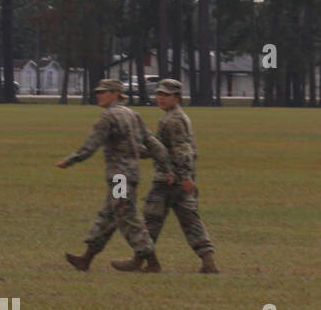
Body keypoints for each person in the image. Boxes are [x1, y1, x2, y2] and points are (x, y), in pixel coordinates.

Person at [56, 78, 172, 272]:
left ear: (116, 94)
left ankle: (151, 261)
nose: (99, 95)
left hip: (119, 178)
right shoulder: (133, 114)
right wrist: (166, 167)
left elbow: (91, 145)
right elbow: (154, 144)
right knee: (107, 217)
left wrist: (70, 161)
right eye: (98, 92)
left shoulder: (108, 117)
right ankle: (86, 258)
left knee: (126, 217)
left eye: (104, 92)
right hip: (130, 176)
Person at [112, 78, 218, 274]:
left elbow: (182, 150)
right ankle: (208, 261)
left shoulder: (173, 120)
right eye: (159, 94)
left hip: (168, 179)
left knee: (151, 220)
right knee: (190, 220)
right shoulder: (174, 117)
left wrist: (183, 176)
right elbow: (160, 148)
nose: (160, 98)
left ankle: (139, 260)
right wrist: (134, 150)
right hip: (179, 178)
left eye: (166, 95)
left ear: (176, 98)